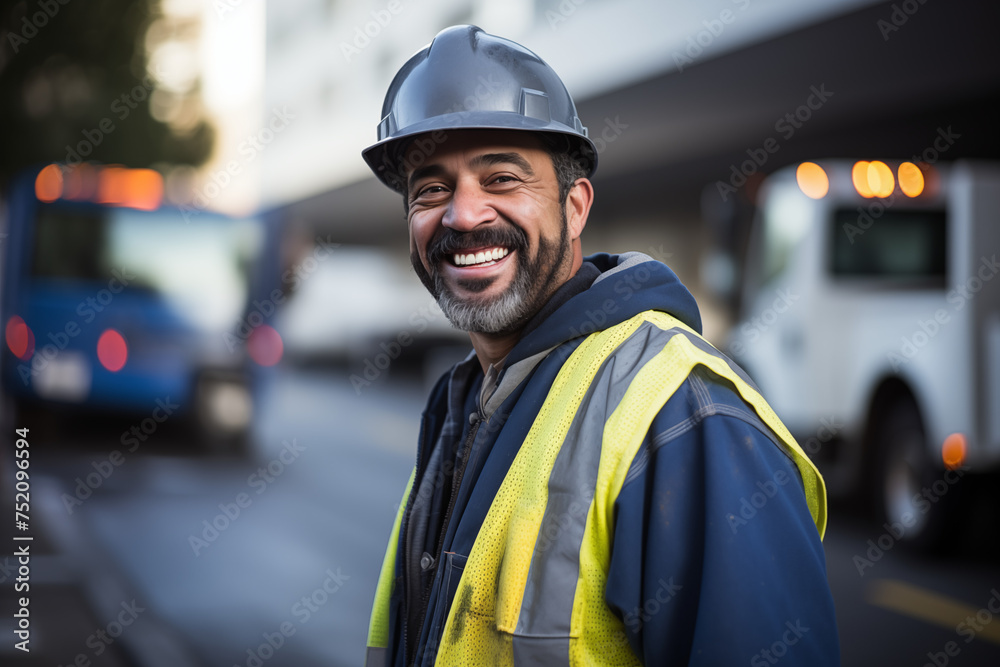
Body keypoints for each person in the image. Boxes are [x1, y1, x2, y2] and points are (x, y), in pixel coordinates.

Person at [360, 24, 839, 667]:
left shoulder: (682, 411)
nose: (463, 215)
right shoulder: (464, 399)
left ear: (575, 206)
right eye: (431, 189)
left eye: (501, 178)